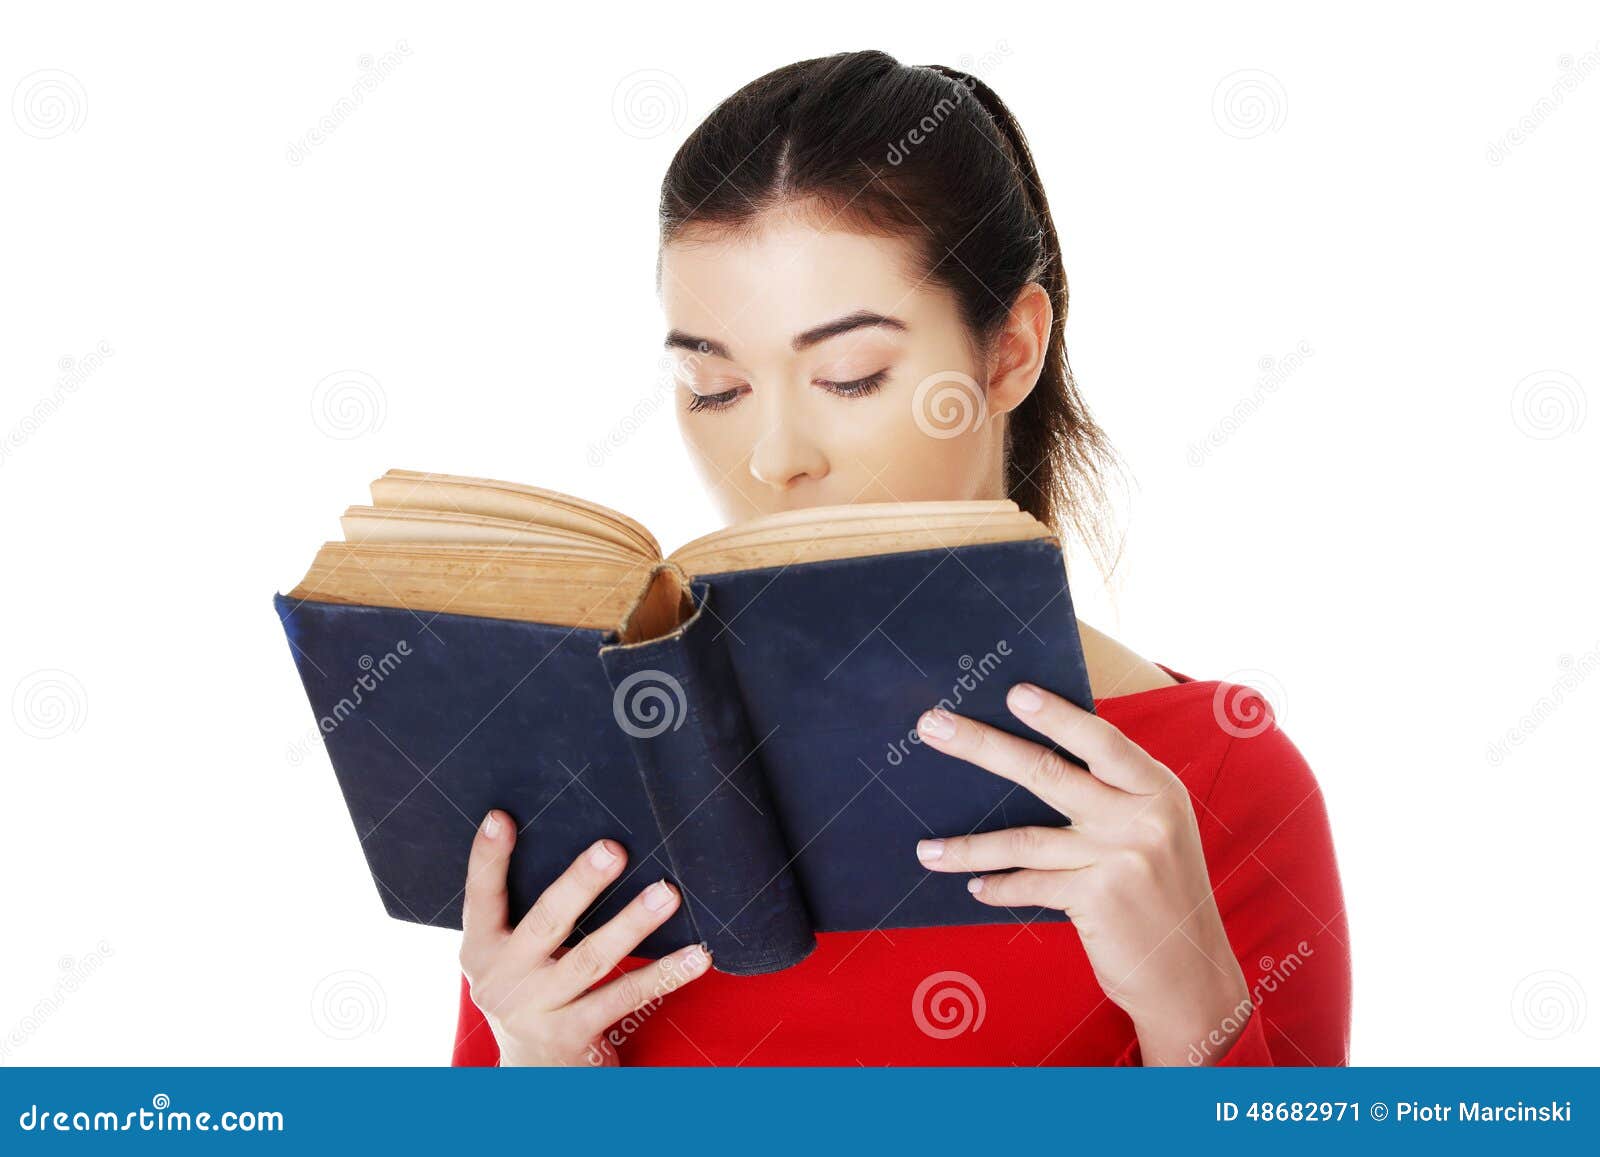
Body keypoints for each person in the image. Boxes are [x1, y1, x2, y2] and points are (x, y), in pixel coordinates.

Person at [452, 50, 1350, 1067]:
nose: (773, 457)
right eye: (713, 385)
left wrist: (1195, 1015)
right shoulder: (601, 771)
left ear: (1009, 350)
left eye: (850, 374)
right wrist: (537, 1073)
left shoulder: (1213, 779)